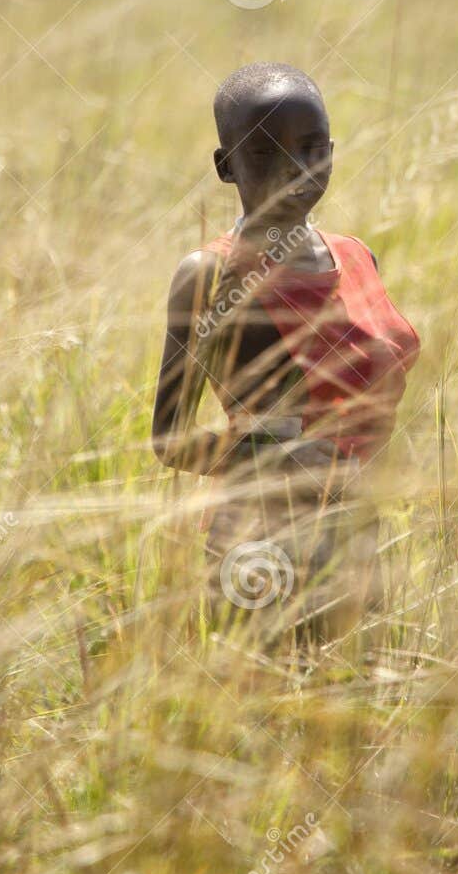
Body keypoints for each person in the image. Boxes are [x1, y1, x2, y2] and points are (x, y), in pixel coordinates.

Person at [151, 62, 419, 638]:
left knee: (359, 714)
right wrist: (281, 461)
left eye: (311, 147)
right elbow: (168, 440)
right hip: (258, 544)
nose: (294, 170)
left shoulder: (356, 256)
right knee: (265, 713)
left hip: (359, 541)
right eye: (265, 154)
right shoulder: (210, 273)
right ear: (226, 167)